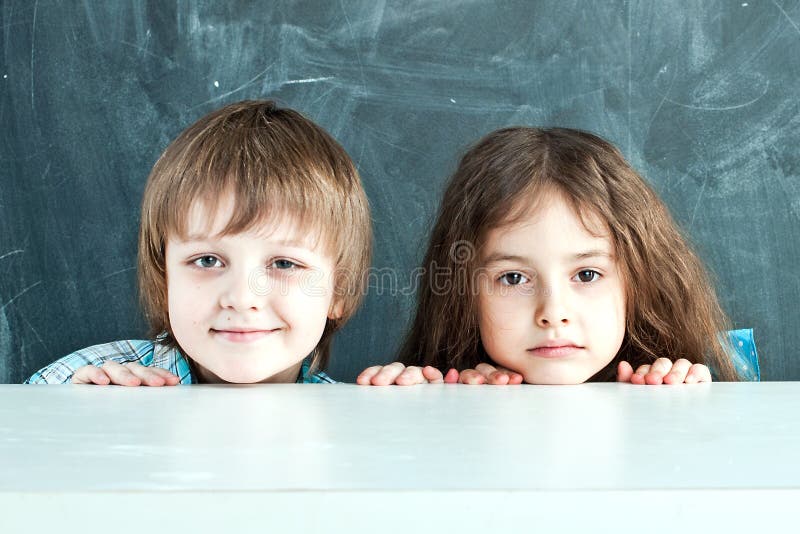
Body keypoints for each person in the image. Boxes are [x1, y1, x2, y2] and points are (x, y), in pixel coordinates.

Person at [26, 100, 371, 385]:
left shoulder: (358, 421)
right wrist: (73, 421)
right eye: (208, 260)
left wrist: (407, 408)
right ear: (164, 279)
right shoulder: (83, 384)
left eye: (284, 263)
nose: (242, 299)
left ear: (339, 290)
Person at [358, 127, 738, 386]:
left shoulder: (680, 385)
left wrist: (684, 400)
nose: (553, 313)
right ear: (463, 294)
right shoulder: (444, 395)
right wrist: (418, 401)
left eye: (587, 274)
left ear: (639, 283)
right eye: (513, 278)